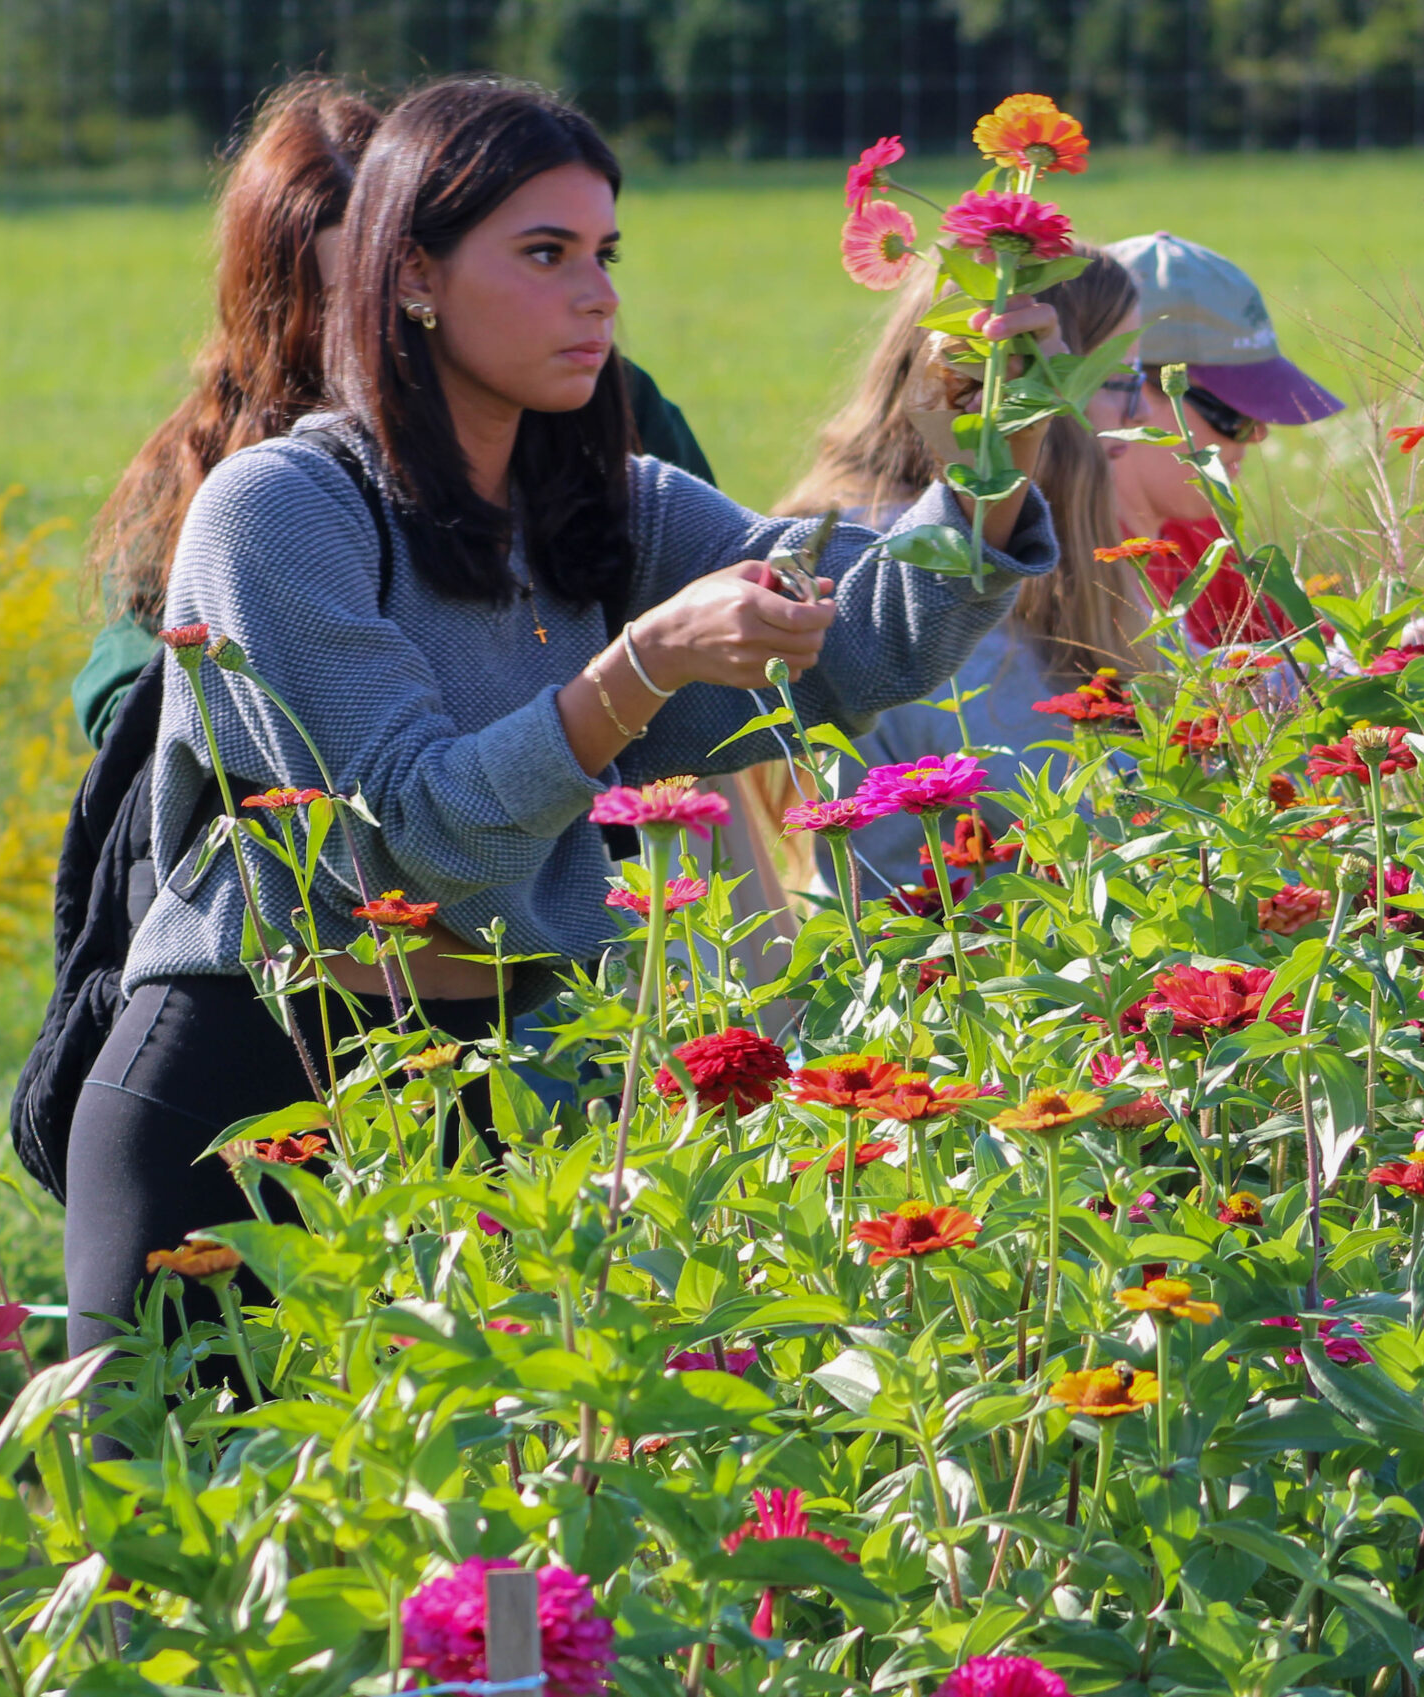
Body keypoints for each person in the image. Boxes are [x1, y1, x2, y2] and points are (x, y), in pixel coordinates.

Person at [64, 76, 1064, 1360]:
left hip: (501, 1100)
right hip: (244, 1103)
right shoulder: (276, 510)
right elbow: (417, 837)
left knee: (479, 1546)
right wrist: (641, 664)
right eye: (544, 254)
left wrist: (992, 457)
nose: (596, 294)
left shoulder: (620, 501)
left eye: (605, 253)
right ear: (412, 274)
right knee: (175, 1538)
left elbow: (861, 646)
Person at [74, 74, 716, 753]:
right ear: (274, 307)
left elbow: (722, 619)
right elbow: (128, 705)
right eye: (346, 293)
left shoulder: (598, 403)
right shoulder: (221, 473)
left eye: (400, 279)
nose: (383, 316)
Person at [744, 246, 1153, 902]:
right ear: (1016, 383)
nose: (1141, 414)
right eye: (1118, 378)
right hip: (936, 963)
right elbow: (1099, 820)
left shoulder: (978, 533)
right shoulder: (910, 564)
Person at [1091, 231, 1346, 651]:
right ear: (1125, 389)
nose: (1260, 433)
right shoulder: (1077, 564)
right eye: (1234, 414)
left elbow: (1319, 657)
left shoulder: (1200, 535)